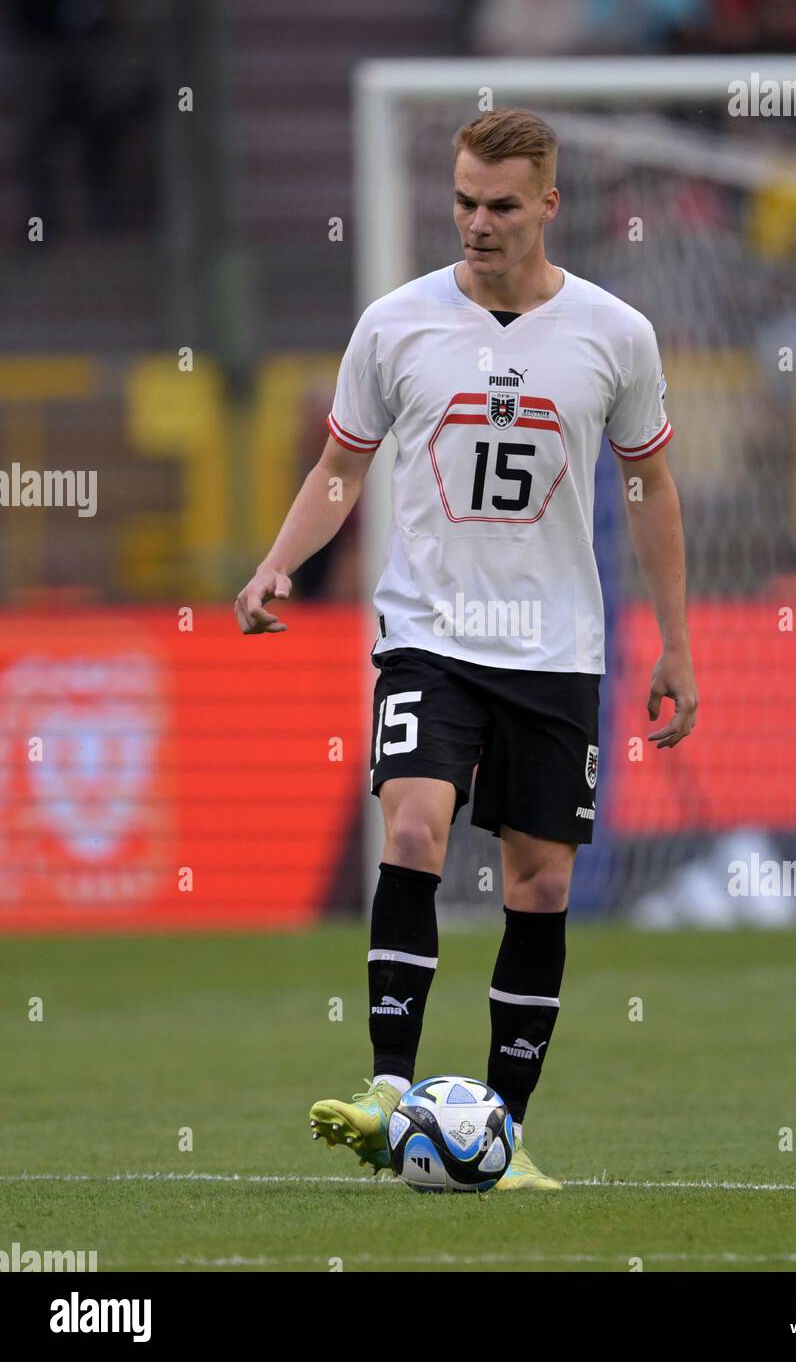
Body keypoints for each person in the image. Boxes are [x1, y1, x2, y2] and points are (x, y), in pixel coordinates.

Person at [234, 109, 698, 1190]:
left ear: (548, 204)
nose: (477, 223)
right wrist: (277, 563)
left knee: (538, 888)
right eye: (462, 201)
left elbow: (650, 485)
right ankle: (390, 1091)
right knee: (414, 822)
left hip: (557, 649)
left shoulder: (613, 333)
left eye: (499, 205)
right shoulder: (396, 324)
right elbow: (341, 466)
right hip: (430, 634)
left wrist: (676, 643)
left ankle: (506, 1131)